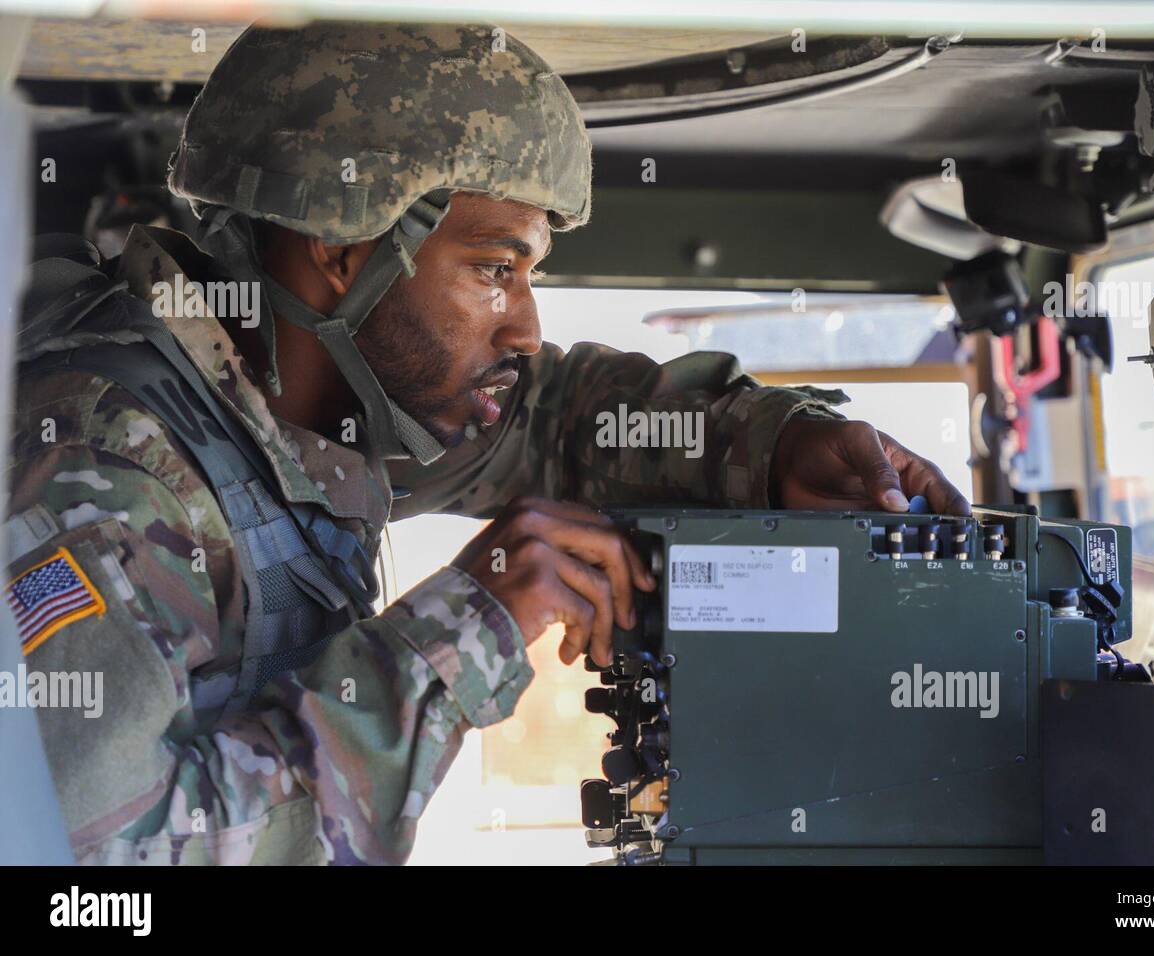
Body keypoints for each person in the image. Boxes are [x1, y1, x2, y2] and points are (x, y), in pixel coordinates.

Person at [6, 20, 967, 864]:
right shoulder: (101, 467)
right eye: (494, 268)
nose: (524, 327)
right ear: (343, 249)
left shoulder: (305, 413)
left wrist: (770, 445)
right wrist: (463, 632)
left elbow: (551, 420)